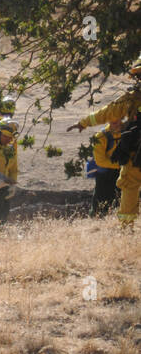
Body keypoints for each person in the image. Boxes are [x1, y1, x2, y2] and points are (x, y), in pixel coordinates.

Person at [69, 56, 141, 226]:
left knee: (129, 184)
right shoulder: (131, 98)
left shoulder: (132, 98)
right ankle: (126, 229)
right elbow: (109, 112)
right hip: (136, 152)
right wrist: (84, 123)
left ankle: (125, 229)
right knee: (129, 185)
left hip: (135, 153)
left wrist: (84, 123)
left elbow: (109, 112)